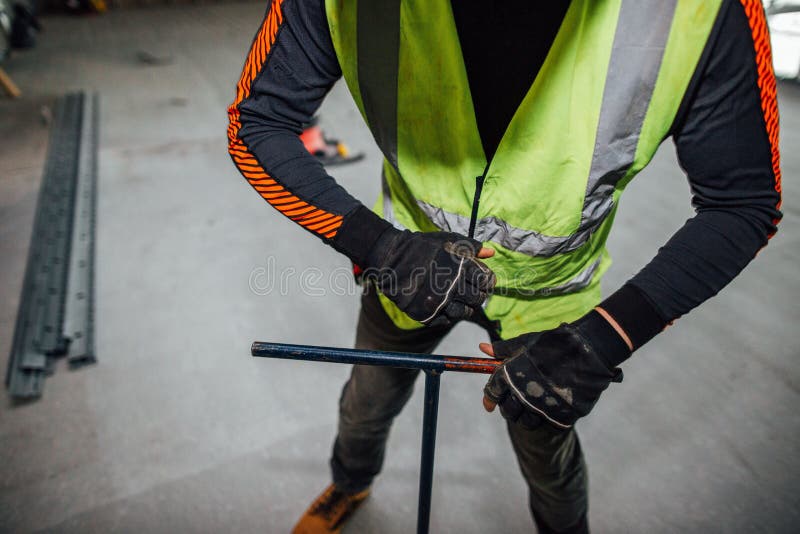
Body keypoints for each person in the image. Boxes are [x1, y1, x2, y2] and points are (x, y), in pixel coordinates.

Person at [227, 1, 782, 532]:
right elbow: (259, 119)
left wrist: (607, 337)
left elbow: (743, 203)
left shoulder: (702, 9)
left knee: (548, 457)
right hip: (410, 268)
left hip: (550, 297)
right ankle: (349, 484)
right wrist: (382, 248)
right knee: (366, 403)